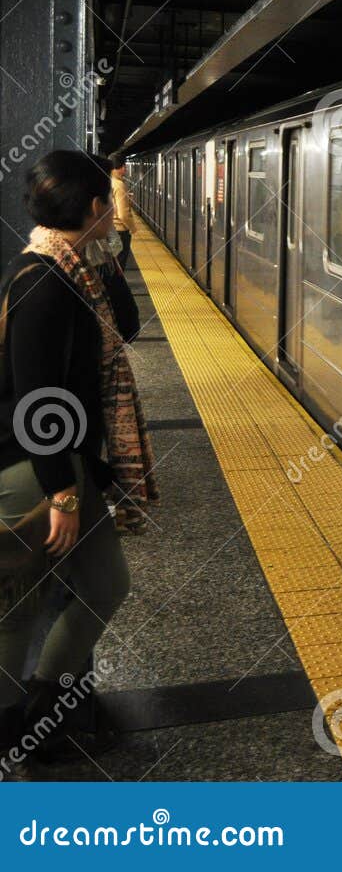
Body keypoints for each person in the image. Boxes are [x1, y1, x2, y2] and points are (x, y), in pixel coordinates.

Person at [0, 151, 158, 774]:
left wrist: (106, 253)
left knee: (103, 584)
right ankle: (14, 732)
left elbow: (127, 321)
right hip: (32, 472)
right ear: (96, 208)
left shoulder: (74, 270)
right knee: (18, 609)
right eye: (107, 208)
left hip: (64, 462)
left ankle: (40, 714)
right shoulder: (41, 283)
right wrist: (61, 492)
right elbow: (36, 398)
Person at [109, 159, 132, 270]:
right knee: (119, 265)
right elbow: (123, 214)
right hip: (120, 229)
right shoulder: (119, 185)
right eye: (125, 166)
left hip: (112, 227)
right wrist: (132, 228)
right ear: (121, 167)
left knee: (114, 263)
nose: (126, 169)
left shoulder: (109, 182)